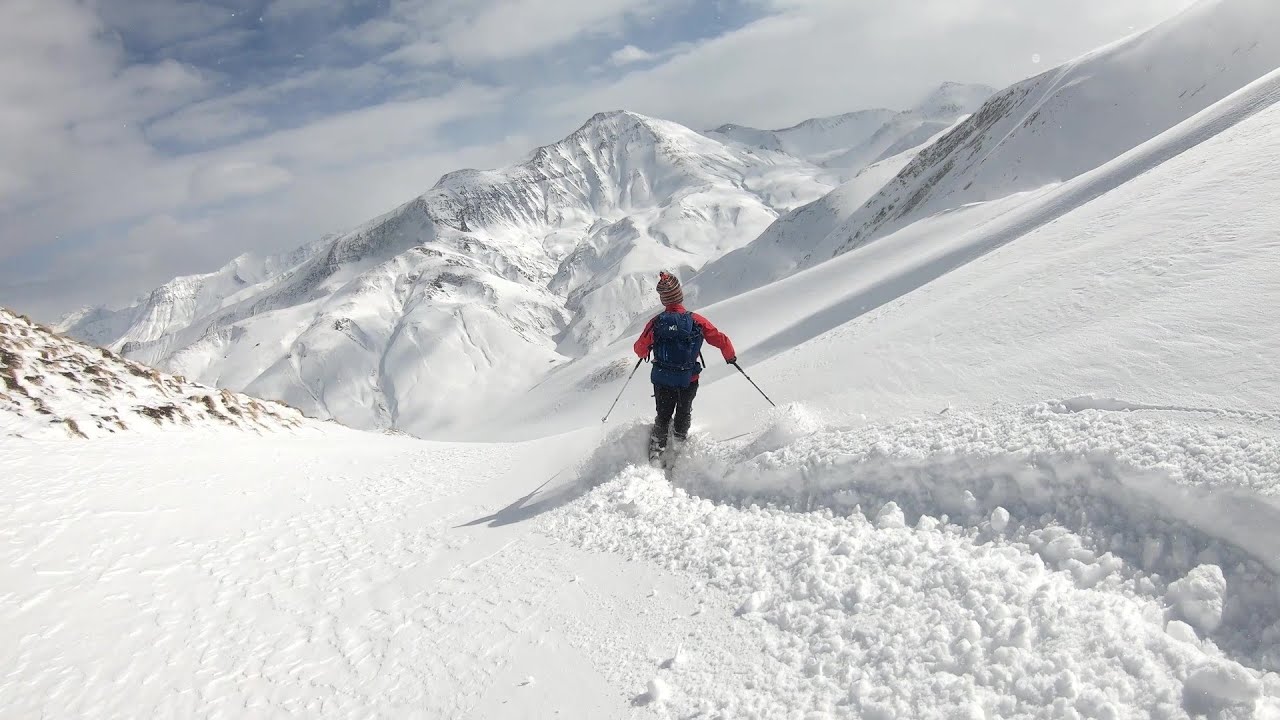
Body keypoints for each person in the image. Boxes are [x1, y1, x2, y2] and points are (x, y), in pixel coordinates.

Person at [633, 271, 736, 459]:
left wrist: (648, 349)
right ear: (680, 295)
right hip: (688, 379)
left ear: (664, 300)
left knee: (663, 416)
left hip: (662, 379)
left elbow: (639, 349)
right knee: (683, 411)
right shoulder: (695, 320)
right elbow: (720, 339)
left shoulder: (656, 323)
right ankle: (678, 449)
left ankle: (656, 453)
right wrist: (730, 357)